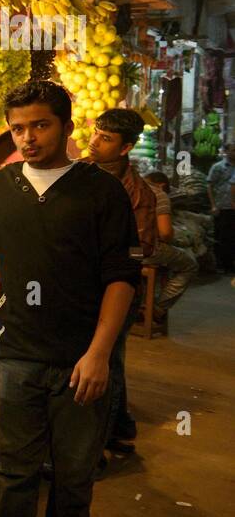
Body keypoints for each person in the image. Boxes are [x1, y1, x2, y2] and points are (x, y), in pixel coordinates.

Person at [0, 81, 139, 517]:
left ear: (66, 126)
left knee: (74, 471)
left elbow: (122, 279)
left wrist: (99, 354)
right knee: (14, 469)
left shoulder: (101, 191)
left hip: (82, 357)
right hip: (19, 354)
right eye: (17, 128)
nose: (27, 137)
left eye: (40, 125)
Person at [86, 108, 156, 452]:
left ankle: (96, 447)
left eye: (106, 138)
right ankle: (121, 426)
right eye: (96, 133)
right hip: (80, 289)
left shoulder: (140, 196)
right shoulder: (77, 174)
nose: (94, 142)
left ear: (126, 148)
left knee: (106, 362)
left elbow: (136, 253)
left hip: (114, 293)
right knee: (107, 359)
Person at [141, 171, 198, 318]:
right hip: (145, 251)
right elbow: (165, 232)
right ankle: (158, 308)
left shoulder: (125, 188)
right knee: (190, 265)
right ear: (162, 185)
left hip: (115, 251)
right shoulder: (159, 194)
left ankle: (140, 304)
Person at [208, 143, 235, 272]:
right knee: (221, 236)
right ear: (226, 151)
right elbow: (210, 186)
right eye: (233, 150)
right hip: (222, 205)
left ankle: (230, 264)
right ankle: (220, 264)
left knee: (232, 236)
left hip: (233, 206)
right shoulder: (218, 167)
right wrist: (213, 205)